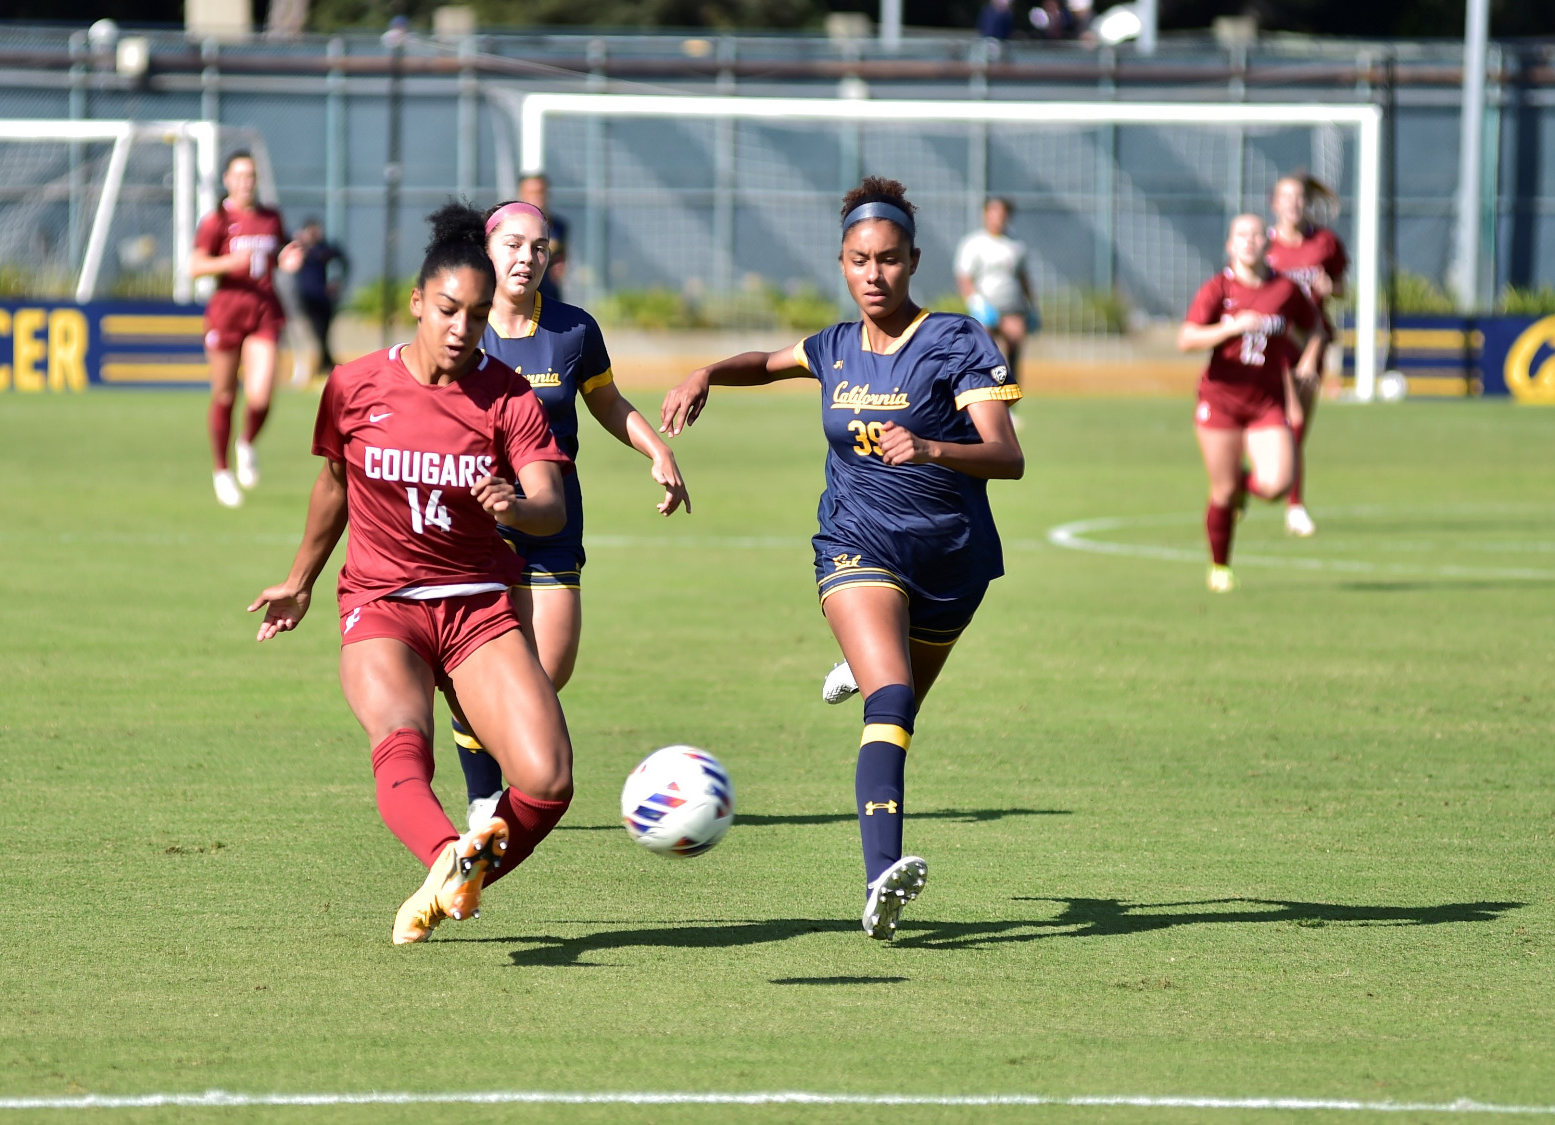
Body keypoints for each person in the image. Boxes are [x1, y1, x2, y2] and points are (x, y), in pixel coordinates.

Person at [659, 177, 1025, 941]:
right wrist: (706, 373)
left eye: (889, 260)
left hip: (953, 561)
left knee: (900, 709)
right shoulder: (832, 347)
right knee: (889, 699)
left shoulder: (955, 340)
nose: (873, 274)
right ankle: (878, 879)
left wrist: (930, 446)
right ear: (842, 261)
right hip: (856, 544)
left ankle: (866, 659)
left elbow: (1006, 455)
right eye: (859, 259)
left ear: (913, 260)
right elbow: (766, 361)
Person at [248, 201, 576, 946]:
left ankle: (450, 882)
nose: (463, 329)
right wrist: (300, 578)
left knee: (549, 778)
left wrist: (518, 509)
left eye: (479, 314)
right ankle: (444, 857)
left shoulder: (508, 396)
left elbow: (551, 503)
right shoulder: (355, 385)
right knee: (403, 738)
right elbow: (334, 482)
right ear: (418, 303)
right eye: (449, 310)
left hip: (477, 610)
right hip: (381, 602)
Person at [449, 199, 694, 829]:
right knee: (478, 675)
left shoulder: (573, 329)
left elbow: (606, 402)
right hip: (477, 527)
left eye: (539, 247)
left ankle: (495, 767)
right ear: (487, 250)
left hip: (555, 520)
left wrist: (655, 448)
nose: (527, 258)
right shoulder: (460, 330)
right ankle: (484, 799)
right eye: (513, 245)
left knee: (547, 673)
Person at [1179, 214, 1327, 593]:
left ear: (1267, 242)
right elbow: (1186, 339)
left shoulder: (1285, 289)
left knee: (1278, 483)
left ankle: (1243, 482)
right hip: (1220, 403)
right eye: (1241, 235)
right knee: (1223, 493)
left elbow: (1315, 328)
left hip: (1265, 403)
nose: (1249, 241)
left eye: (1256, 234)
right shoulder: (1219, 289)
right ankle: (1220, 566)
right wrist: (1230, 327)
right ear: (1230, 245)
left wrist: (1309, 358)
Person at [190, 151, 298, 509]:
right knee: (224, 395)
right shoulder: (217, 220)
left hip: (264, 313)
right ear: (226, 180)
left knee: (262, 396)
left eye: (250, 175)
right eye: (238, 175)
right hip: (226, 315)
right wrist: (226, 262)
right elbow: (194, 266)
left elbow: (282, 250)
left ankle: (246, 442)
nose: (245, 181)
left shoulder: (270, 217)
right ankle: (221, 471)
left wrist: (288, 258)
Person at [1265, 173, 1349, 538]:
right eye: (1286, 197)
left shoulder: (1325, 243)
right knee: (1276, 421)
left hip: (1311, 343)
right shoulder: (1263, 246)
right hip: (1272, 344)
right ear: (1274, 203)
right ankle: (1255, 482)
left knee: (1296, 427)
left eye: (1298, 197)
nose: (1293, 204)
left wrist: (1332, 288)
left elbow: (1342, 287)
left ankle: (1293, 506)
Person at [954, 197, 1037, 377]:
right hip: (986, 308)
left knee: (1015, 344)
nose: (998, 217)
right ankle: (984, 387)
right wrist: (976, 303)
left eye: (1002, 213)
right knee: (985, 349)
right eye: (994, 212)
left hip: (1012, 308)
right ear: (985, 214)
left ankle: (1012, 393)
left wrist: (1032, 306)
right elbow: (964, 277)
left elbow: (1023, 278)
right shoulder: (973, 243)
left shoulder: (1016, 245)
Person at [292, 217, 348, 376]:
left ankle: (325, 365)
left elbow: (343, 261)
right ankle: (326, 364)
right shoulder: (300, 249)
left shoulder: (325, 249)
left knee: (323, 333)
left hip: (323, 299)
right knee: (314, 333)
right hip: (305, 299)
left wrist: (337, 281)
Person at [516, 174, 569, 304]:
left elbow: (562, 254)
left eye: (541, 192)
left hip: (548, 291)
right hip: (522, 289)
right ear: (522, 194)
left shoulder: (558, 226)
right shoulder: (511, 225)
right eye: (532, 193)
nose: (537, 197)